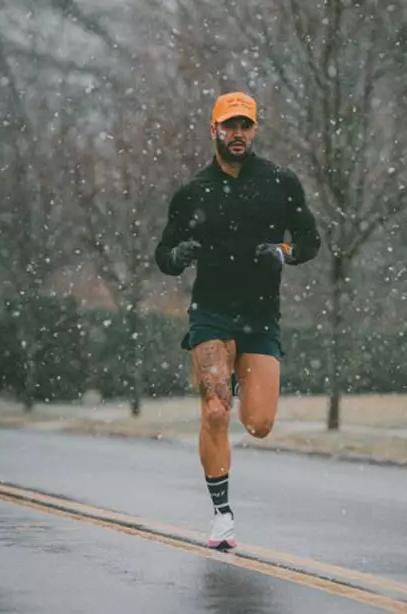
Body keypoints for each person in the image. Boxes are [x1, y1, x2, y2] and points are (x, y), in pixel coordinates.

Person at [154, 91, 321, 551]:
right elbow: (162, 255)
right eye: (229, 126)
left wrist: (283, 253)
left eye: (245, 125)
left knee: (260, 423)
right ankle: (222, 516)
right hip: (210, 312)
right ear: (214, 131)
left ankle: (243, 377)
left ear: (255, 130)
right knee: (214, 411)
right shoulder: (192, 192)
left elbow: (310, 241)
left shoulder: (280, 183)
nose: (238, 134)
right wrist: (177, 255)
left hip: (260, 314)